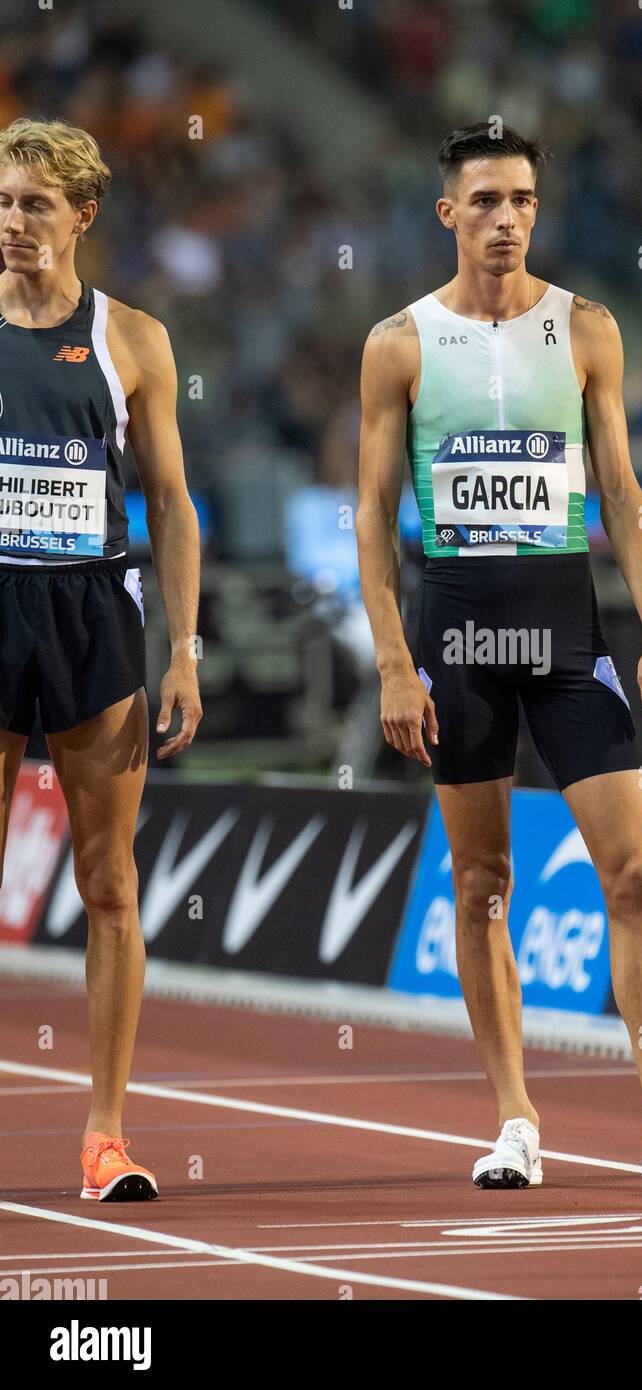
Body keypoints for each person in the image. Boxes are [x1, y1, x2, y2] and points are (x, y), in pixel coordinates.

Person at [357, 122, 642, 1189]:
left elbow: (621, 494)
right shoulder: (397, 342)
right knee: (482, 880)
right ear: (448, 213)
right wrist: (395, 658)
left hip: (568, 631)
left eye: (522, 199)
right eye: (484, 200)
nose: (505, 218)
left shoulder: (586, 329)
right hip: (457, 633)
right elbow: (371, 514)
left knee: (631, 874)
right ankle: (516, 1121)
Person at [0, 118, 202, 1198]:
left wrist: (186, 651)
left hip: (93, 617)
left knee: (109, 882)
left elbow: (171, 504)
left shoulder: (133, 338)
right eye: (1, 202)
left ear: (83, 213)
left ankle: (106, 1135)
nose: (12, 223)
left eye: (34, 204)